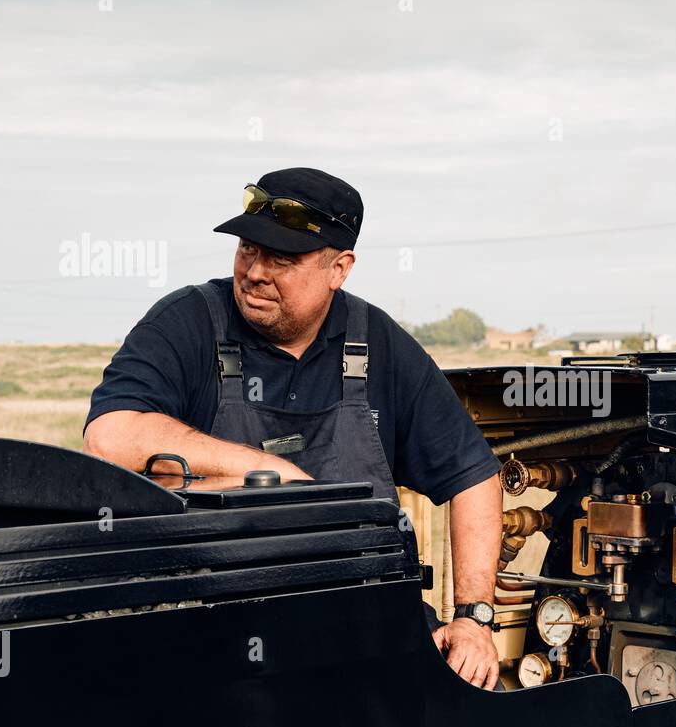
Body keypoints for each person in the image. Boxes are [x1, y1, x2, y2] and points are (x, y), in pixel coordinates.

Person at [83, 167, 502, 687]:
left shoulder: (379, 346)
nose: (256, 271)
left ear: (339, 268)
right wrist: (264, 469)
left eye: (282, 259)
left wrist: (474, 618)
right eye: (247, 250)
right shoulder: (187, 324)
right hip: (214, 646)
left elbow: (473, 476)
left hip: (368, 640)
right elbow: (108, 437)